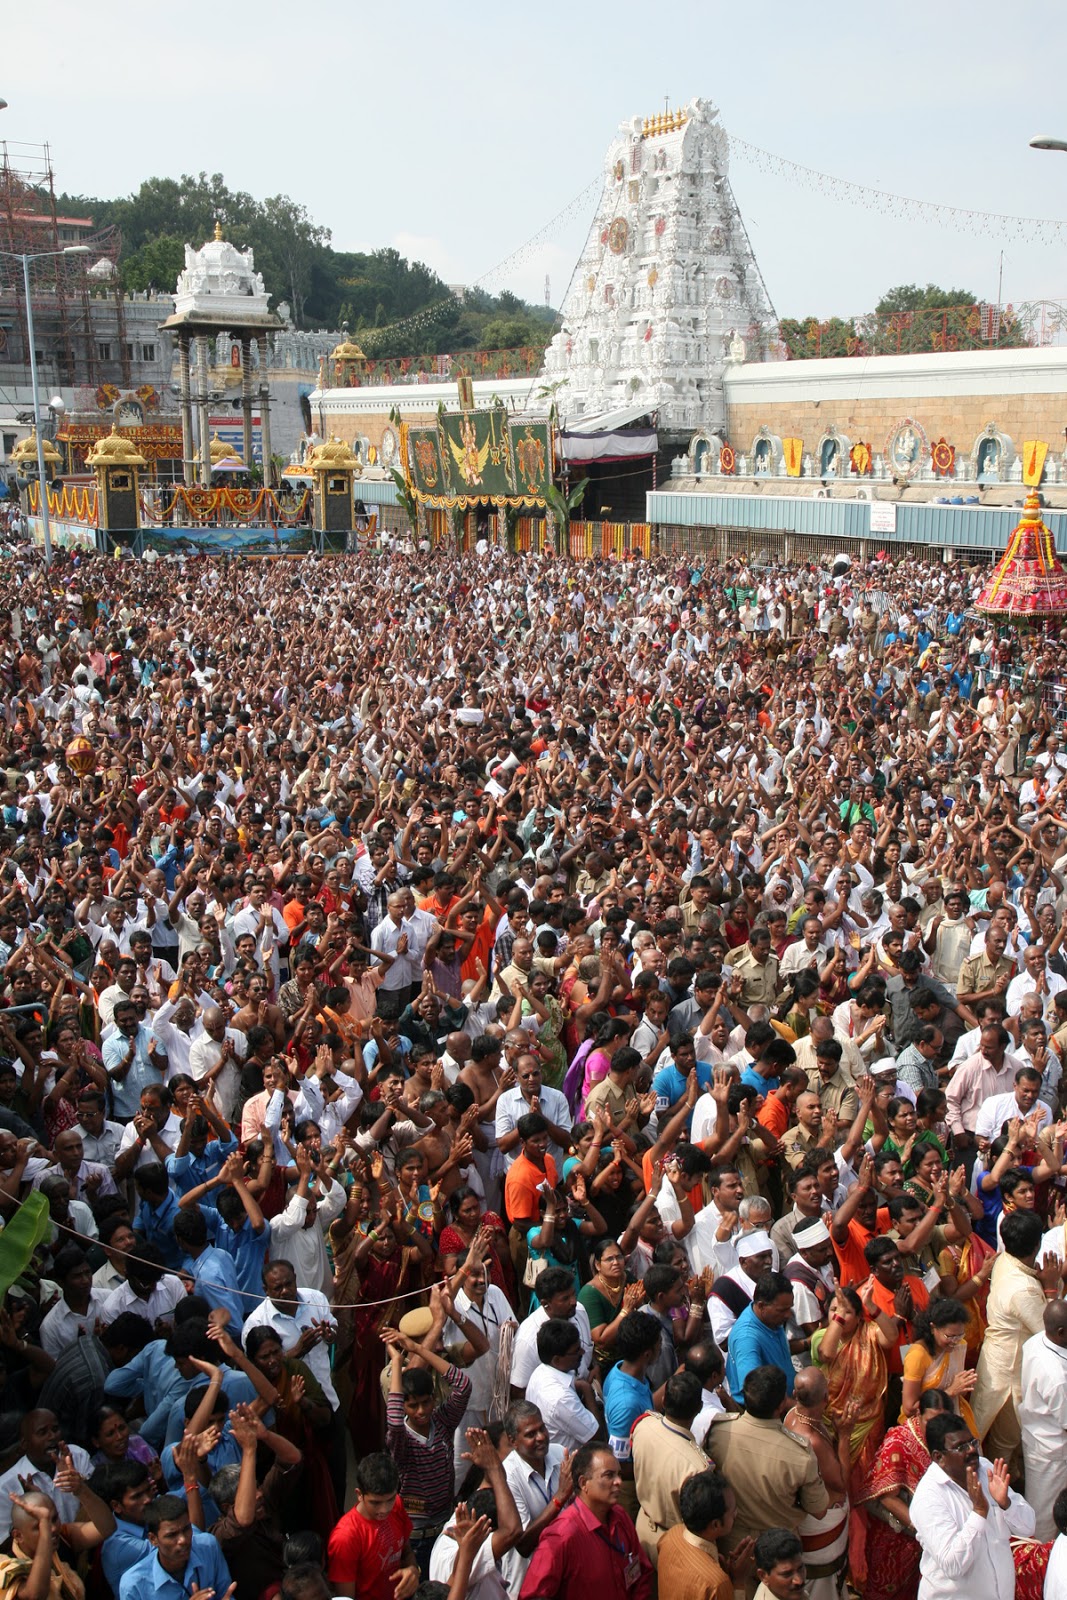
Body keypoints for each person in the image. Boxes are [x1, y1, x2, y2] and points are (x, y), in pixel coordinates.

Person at [909, 1412, 1035, 1600]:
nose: (971, 1450)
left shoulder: (985, 1469)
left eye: (972, 1443)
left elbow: (1028, 1527)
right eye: (960, 1447)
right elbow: (953, 1565)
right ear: (938, 1457)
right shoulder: (928, 1498)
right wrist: (978, 1513)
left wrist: (1006, 1504)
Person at [705, 1365, 829, 1553]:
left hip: (733, 1546)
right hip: (779, 1551)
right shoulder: (800, 1455)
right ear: (781, 1405)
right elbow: (819, 1510)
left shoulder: (718, 1433)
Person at [973, 1209, 1061, 1470]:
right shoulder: (1023, 1288)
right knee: (1005, 1442)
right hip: (1009, 1377)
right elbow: (1053, 1333)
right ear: (1037, 1245)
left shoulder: (1004, 1261)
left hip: (996, 1361)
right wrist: (1052, 1287)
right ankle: (1000, 1491)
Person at [518, 1441, 653, 1599]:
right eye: (609, 1475)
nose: (618, 1482)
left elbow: (642, 1573)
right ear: (583, 1483)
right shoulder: (561, 1536)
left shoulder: (620, 1516)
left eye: (619, 1475)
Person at [631, 1371, 709, 1566]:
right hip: (674, 1543)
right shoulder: (697, 1467)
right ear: (699, 1408)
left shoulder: (644, 1424)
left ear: (664, 1401)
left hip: (642, 1526)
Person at [327, 1452, 419, 1600]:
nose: (384, 1509)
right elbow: (345, 1598)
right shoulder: (345, 1538)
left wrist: (413, 1570)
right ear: (359, 1494)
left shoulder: (397, 1505)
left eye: (389, 1500)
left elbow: (407, 1552)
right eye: (375, 1503)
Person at [118, 1493, 234, 1600]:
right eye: (172, 1535)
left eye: (186, 1529)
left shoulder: (208, 1547)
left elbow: (226, 1594)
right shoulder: (133, 1585)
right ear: (153, 1539)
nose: (183, 1540)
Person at [657, 1467, 749, 1600]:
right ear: (716, 1524)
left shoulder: (671, 1535)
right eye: (732, 1512)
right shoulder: (716, 1583)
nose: (736, 1514)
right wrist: (738, 1581)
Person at [1018, 1299, 1067, 1540]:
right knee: (1044, 1519)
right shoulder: (1056, 1377)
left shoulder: (1036, 1340)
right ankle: (1037, 1567)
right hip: (1052, 1452)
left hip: (1037, 1435)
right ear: (1061, 1332)